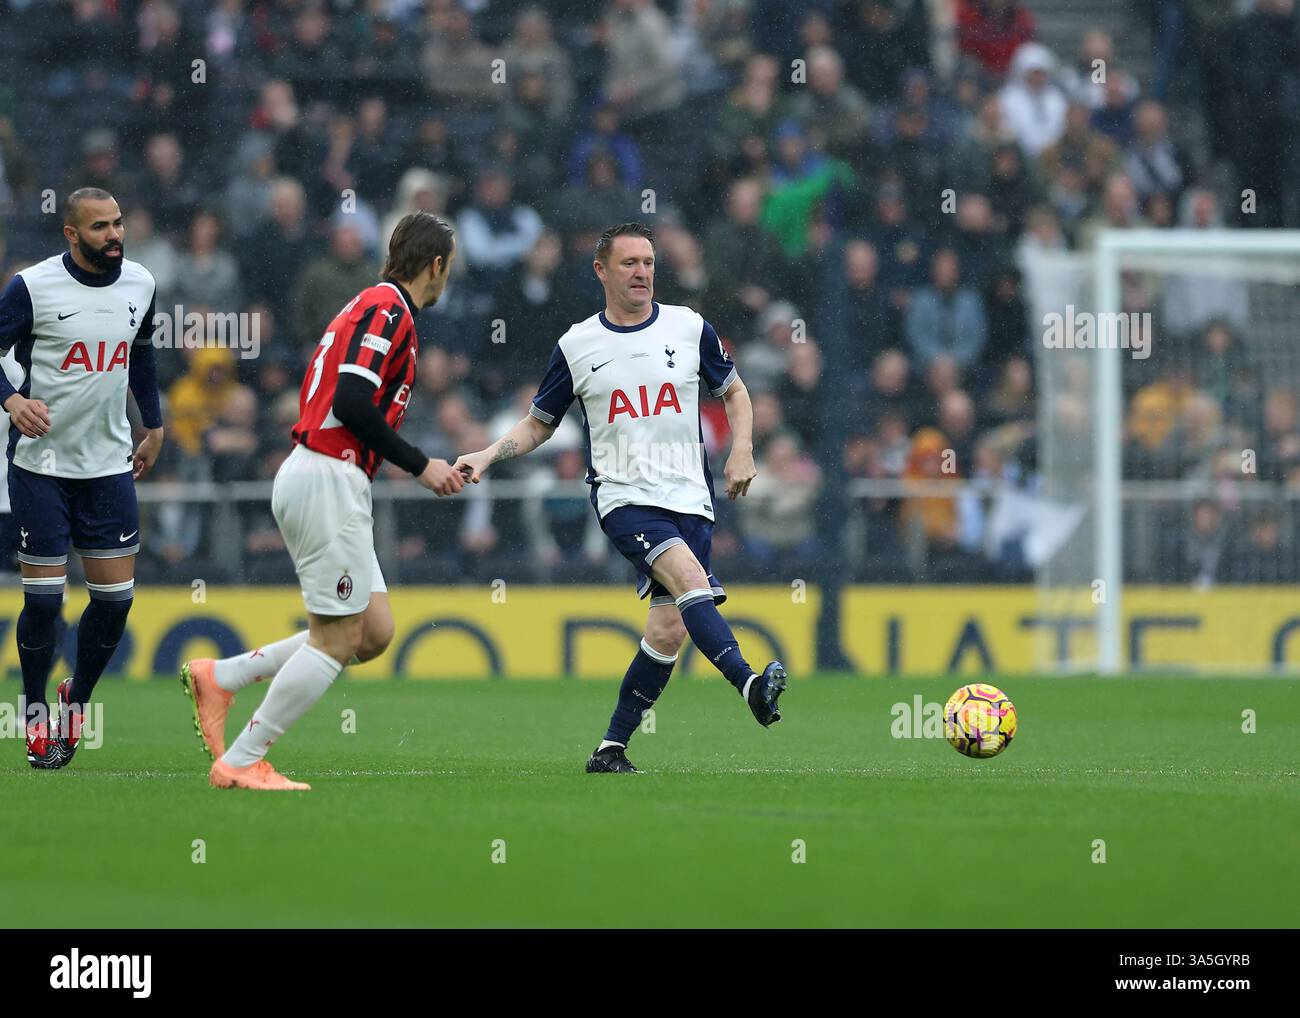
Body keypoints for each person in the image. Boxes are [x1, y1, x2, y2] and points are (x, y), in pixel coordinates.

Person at [454, 222, 786, 775]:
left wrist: (743, 450)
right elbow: (540, 425)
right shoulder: (579, 344)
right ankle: (748, 683)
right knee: (690, 581)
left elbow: (735, 391)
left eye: (649, 262)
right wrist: (487, 455)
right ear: (601, 271)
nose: (642, 273)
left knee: (668, 629)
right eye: (630, 263)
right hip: (625, 497)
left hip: (691, 496)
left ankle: (611, 748)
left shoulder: (689, 327)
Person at [181, 213, 465, 791]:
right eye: (447, 270)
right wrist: (421, 465)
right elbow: (355, 401)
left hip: (326, 474)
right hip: (327, 475)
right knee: (335, 639)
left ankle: (223, 677)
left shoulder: (368, 303)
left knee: (372, 631)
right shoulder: (389, 310)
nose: (446, 281)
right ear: (435, 266)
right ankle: (241, 761)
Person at [0, 187, 164, 769]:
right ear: (71, 234)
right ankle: (36, 715)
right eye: (99, 227)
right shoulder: (32, 287)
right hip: (41, 466)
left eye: (118, 223)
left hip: (108, 464)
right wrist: (12, 400)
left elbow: (141, 353)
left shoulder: (140, 283)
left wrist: (155, 424)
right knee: (44, 603)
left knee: (115, 602)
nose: (114, 235)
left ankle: (77, 699)